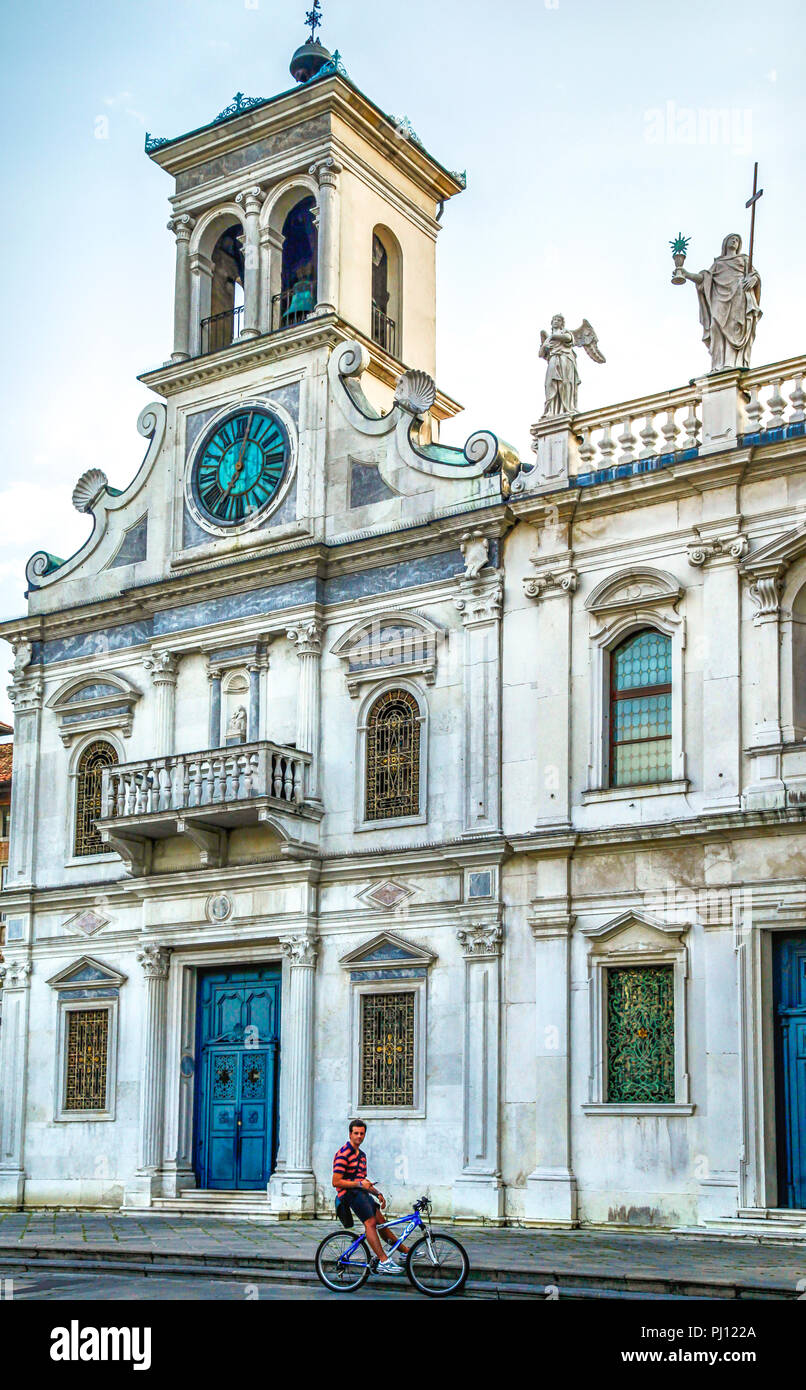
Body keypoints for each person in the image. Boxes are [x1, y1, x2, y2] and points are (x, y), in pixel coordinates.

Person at [332, 1119, 408, 1276]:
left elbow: (364, 1182)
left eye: (362, 1133)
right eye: (356, 1133)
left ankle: (406, 1252)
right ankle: (383, 1261)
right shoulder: (343, 1154)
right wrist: (360, 1184)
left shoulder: (362, 1156)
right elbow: (336, 1181)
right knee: (371, 1222)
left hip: (360, 1193)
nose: (359, 1136)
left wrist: (377, 1193)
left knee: (381, 1222)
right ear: (350, 1134)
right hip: (348, 1194)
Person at [679, 233, 762, 371]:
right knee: (715, 327)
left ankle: (731, 363)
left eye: (737, 240)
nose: (734, 241)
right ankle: (718, 365)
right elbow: (704, 278)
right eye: (732, 239)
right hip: (719, 298)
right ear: (725, 243)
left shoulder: (744, 259)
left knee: (735, 327)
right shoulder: (718, 263)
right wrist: (686, 274)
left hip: (738, 294)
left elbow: (754, 275)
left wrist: (754, 279)